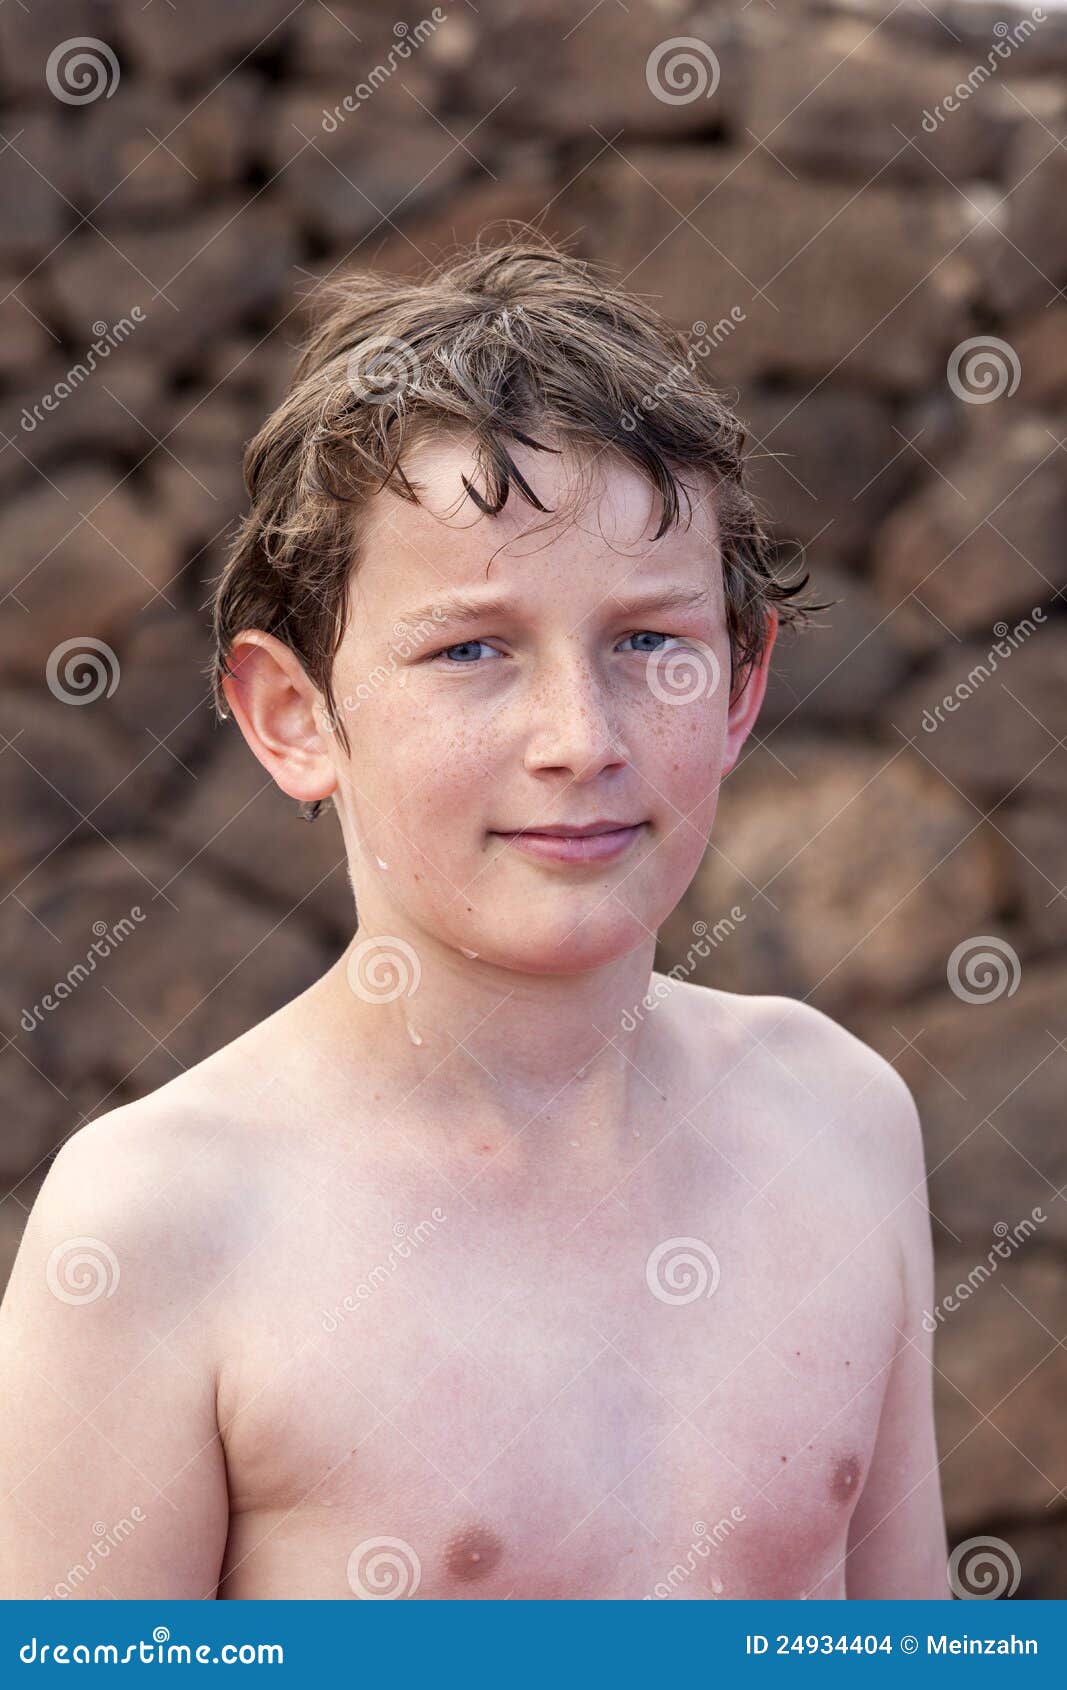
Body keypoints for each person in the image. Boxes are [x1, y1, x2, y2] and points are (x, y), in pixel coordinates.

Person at [0, 234, 948, 1600]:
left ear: (741, 689)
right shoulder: (161, 1226)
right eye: (471, 649)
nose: (581, 738)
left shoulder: (843, 1121)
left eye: (650, 642)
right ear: (295, 715)